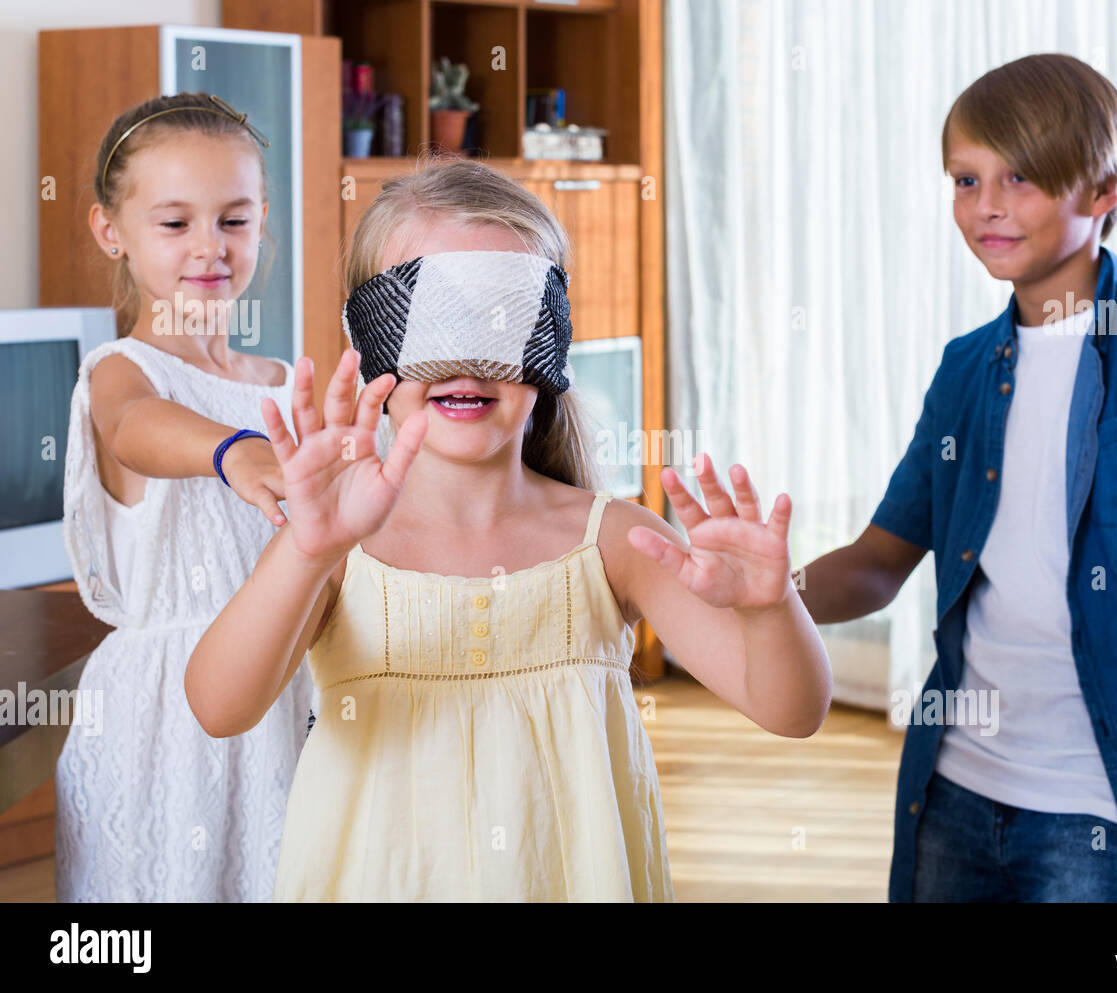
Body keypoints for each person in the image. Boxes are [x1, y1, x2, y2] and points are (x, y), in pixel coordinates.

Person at [185, 156, 832, 901]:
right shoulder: (336, 549)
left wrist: (768, 607)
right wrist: (306, 550)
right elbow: (217, 707)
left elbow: (791, 710)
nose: (466, 355)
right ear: (368, 344)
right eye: (432, 316)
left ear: (548, 338)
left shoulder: (618, 541)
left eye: (501, 313)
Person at [797, 53, 1117, 902]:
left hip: (1105, 806)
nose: (986, 204)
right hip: (953, 785)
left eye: (1019, 177)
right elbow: (880, 559)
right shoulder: (965, 369)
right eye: (965, 177)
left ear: (1103, 189)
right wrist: (761, 586)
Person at [56, 92, 315, 901]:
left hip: (281, 696)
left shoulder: (281, 380)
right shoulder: (121, 370)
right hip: (164, 725)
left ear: (263, 219)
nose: (210, 247)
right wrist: (233, 450)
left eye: (233, 220)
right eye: (175, 223)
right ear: (111, 230)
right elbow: (136, 425)